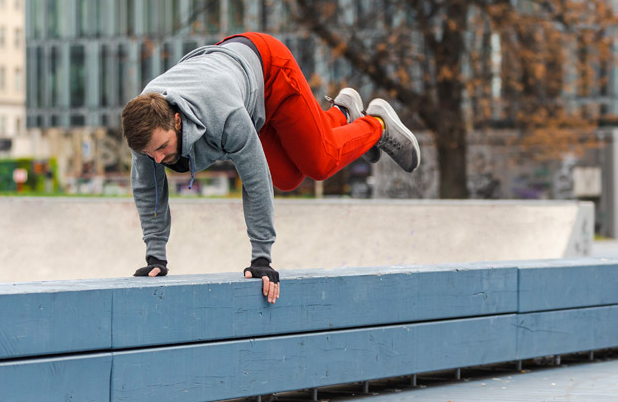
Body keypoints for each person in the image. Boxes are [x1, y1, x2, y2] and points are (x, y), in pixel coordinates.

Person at [120, 32, 420, 304]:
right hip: (240, 86)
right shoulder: (144, 131)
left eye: (163, 147)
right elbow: (148, 191)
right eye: (150, 153)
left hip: (270, 69)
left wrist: (261, 258)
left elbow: (255, 181)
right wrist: (155, 257)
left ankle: (376, 124)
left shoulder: (225, 115)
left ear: (176, 120)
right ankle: (341, 115)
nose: (157, 159)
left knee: (321, 162)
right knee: (287, 178)